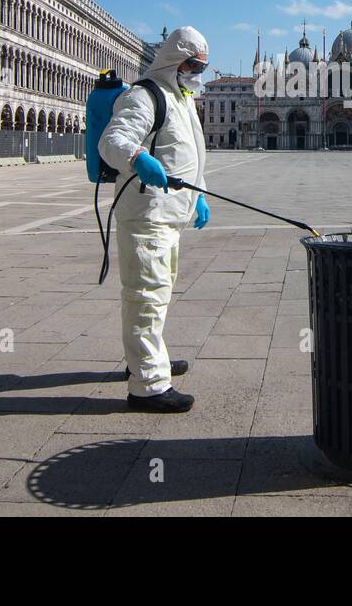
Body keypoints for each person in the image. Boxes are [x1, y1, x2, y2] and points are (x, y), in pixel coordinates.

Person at [98, 26, 211, 413]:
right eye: (193, 65)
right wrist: (136, 158)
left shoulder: (181, 98)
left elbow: (190, 152)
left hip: (170, 215)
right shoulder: (144, 95)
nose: (198, 73)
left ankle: (147, 358)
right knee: (146, 293)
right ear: (174, 61)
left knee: (160, 290)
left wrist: (198, 195)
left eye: (202, 67)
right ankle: (147, 385)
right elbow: (112, 141)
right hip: (146, 214)